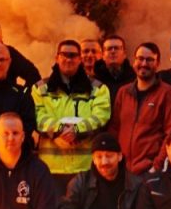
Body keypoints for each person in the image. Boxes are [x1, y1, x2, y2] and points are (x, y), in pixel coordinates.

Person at [31, 39, 112, 176]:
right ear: (57, 58)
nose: (69, 59)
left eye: (73, 56)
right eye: (64, 55)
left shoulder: (98, 89)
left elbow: (100, 117)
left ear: (80, 59)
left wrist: (77, 130)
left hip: (85, 168)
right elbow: (37, 117)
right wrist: (60, 128)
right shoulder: (39, 88)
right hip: (50, 168)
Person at [111, 41, 171, 177]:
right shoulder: (123, 93)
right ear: (134, 61)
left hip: (149, 173)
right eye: (140, 59)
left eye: (149, 60)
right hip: (123, 172)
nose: (144, 64)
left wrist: (157, 166)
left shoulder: (167, 94)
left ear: (157, 64)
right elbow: (115, 129)